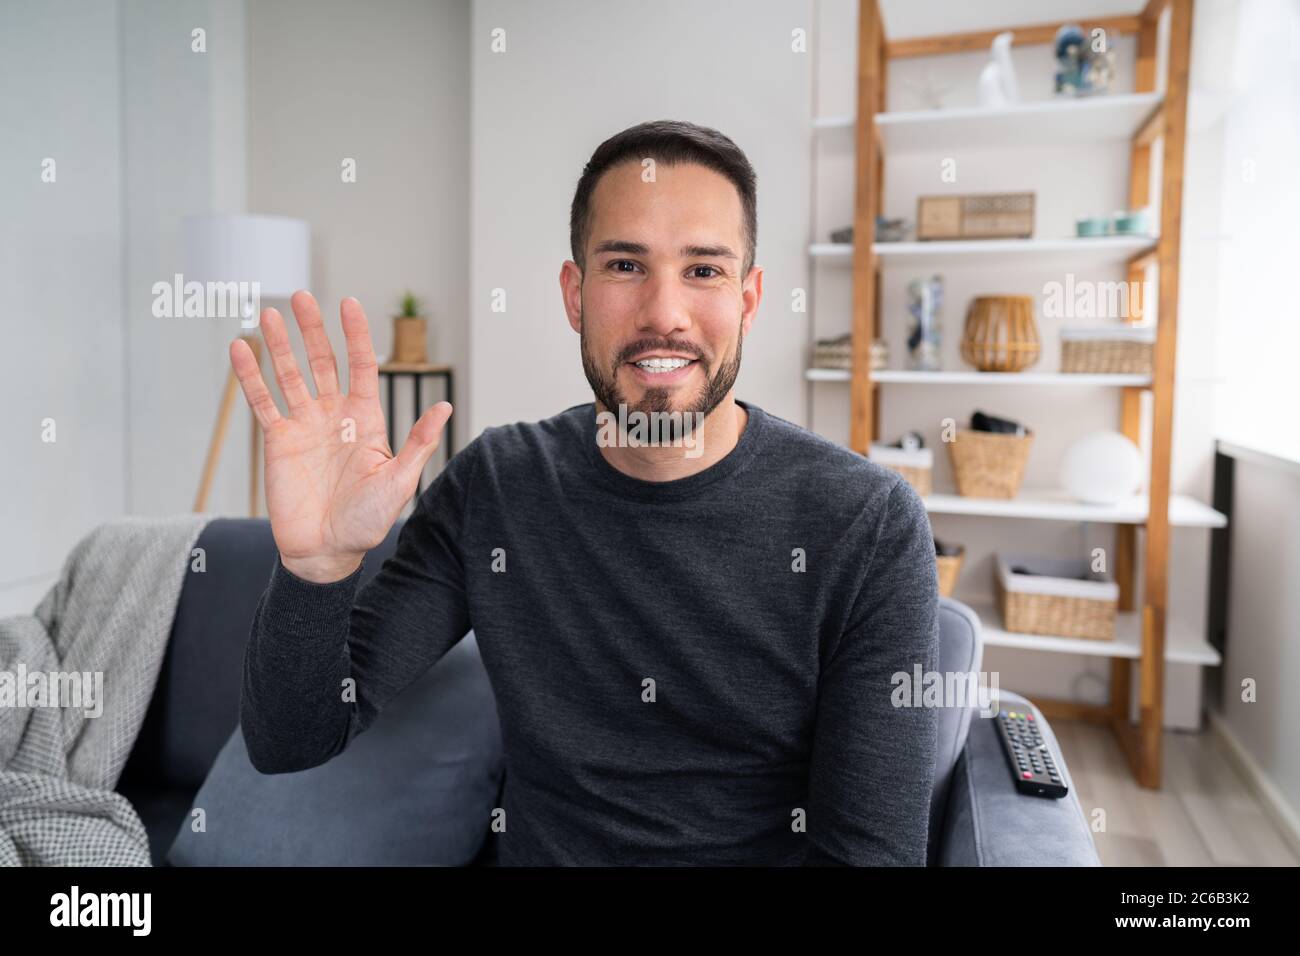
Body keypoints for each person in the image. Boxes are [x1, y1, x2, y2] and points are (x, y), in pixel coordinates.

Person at [232, 119, 939, 866]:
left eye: (704, 270)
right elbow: (292, 742)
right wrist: (317, 569)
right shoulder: (497, 485)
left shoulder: (866, 525)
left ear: (749, 300)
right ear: (574, 294)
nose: (665, 313)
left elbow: (870, 856)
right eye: (626, 265)